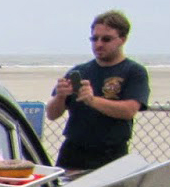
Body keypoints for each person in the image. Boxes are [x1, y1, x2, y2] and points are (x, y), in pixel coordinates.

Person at [46, 10, 149, 172]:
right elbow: (52, 114)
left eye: (106, 39)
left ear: (122, 39)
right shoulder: (80, 71)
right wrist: (60, 97)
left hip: (111, 154)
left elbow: (129, 110)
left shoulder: (134, 71)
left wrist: (92, 100)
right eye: (95, 39)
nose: (99, 44)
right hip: (74, 152)